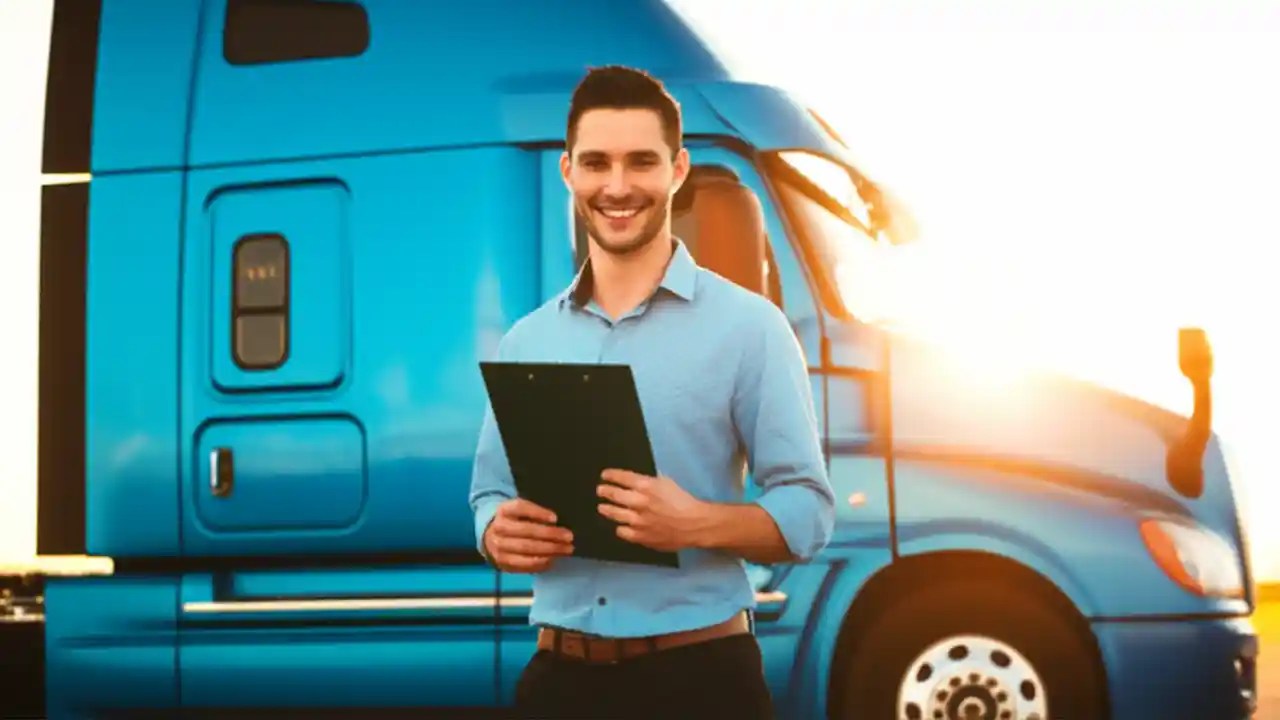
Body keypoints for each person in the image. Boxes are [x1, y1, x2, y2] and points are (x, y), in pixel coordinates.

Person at [468, 65, 835, 720]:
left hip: (701, 683)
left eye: (641, 161)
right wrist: (497, 532)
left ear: (678, 169)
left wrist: (696, 523)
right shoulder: (527, 340)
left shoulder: (750, 328)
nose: (617, 186)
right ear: (568, 172)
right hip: (557, 684)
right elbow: (489, 494)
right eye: (596, 163)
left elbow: (808, 511)